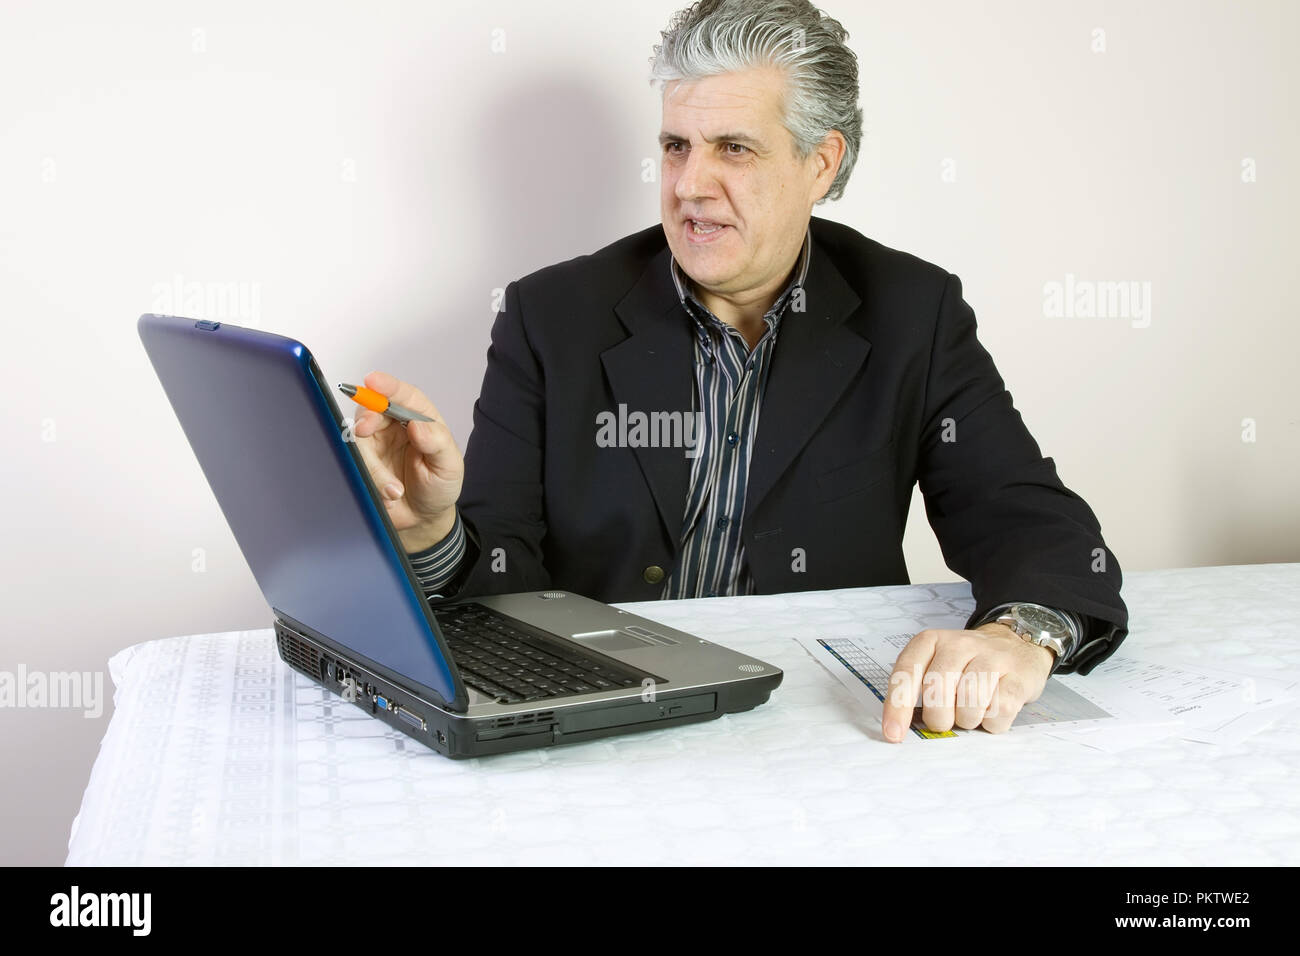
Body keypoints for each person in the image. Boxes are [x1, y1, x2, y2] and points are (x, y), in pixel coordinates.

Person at [351, 0, 1128, 741]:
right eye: (675, 147)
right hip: (602, 708)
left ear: (821, 164)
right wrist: (432, 534)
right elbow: (499, 584)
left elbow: (1028, 520)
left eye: (734, 148)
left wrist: (1021, 632)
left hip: (819, 716)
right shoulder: (550, 315)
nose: (690, 185)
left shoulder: (911, 311)